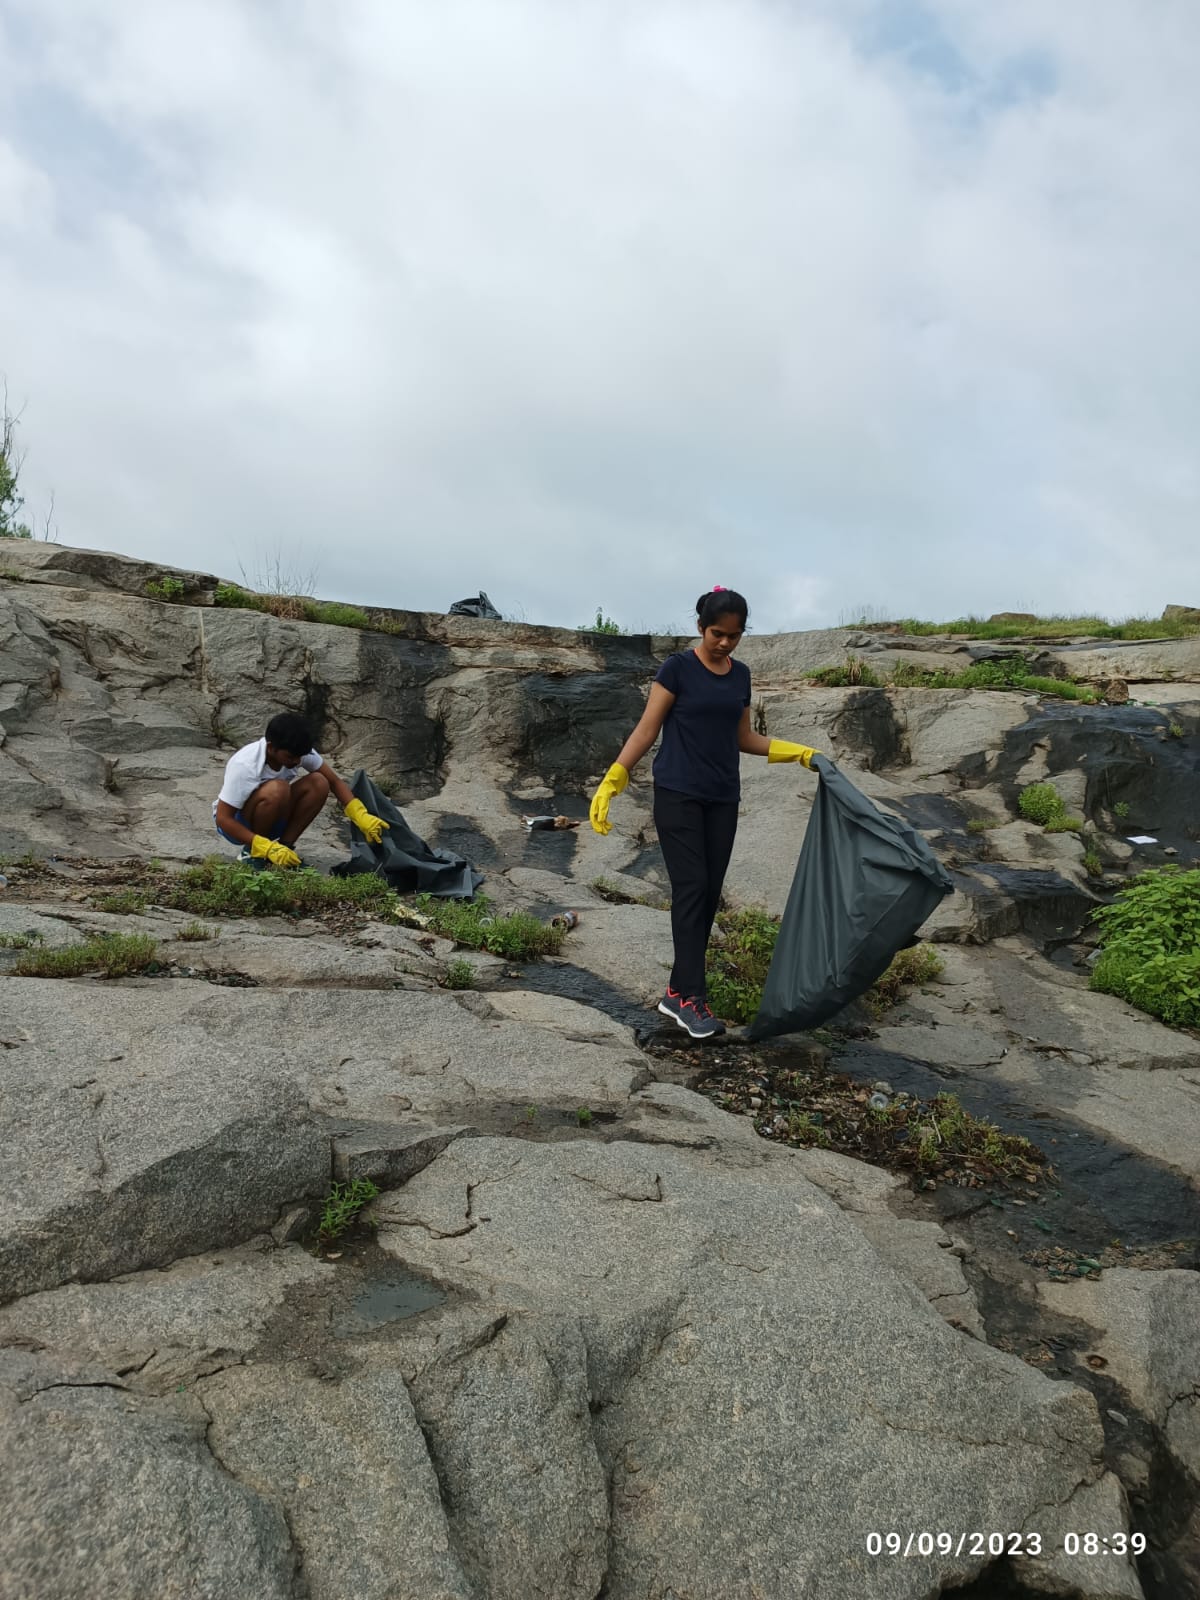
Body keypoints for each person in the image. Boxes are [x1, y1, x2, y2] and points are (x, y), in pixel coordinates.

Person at [589, 587, 819, 1039]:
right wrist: (615, 776)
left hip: (722, 798)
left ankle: (679, 991)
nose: (725, 643)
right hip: (678, 794)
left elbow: (744, 738)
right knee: (691, 886)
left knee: (709, 892)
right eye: (718, 633)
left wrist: (799, 753)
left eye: (735, 636)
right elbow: (647, 728)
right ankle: (688, 996)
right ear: (700, 627)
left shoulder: (740, 675)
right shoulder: (677, 669)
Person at [213, 712, 389, 868]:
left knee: (319, 782)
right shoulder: (245, 764)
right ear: (271, 747)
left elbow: (334, 781)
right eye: (291, 757)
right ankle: (252, 853)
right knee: (278, 789)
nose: (297, 761)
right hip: (238, 825)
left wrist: (359, 814)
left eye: (300, 757)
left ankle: (285, 849)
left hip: (273, 816)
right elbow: (223, 819)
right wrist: (264, 846)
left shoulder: (297, 751)